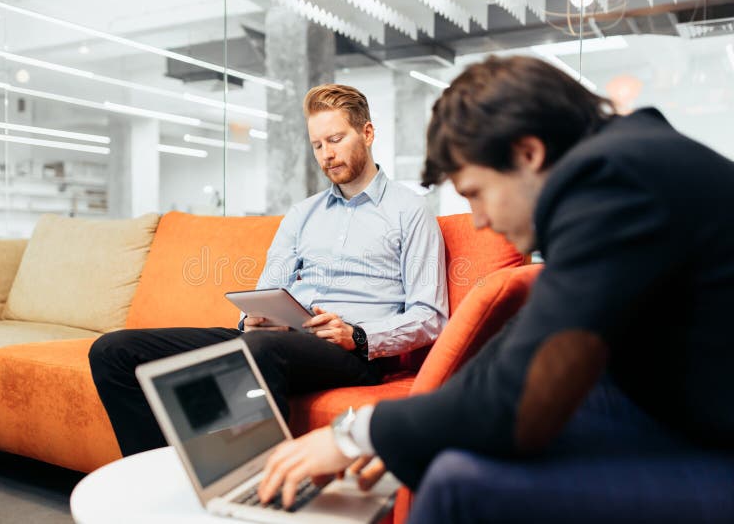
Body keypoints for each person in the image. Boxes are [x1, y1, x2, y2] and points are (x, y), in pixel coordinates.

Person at [256, 56, 734, 522]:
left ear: (528, 153)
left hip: (708, 439)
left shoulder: (614, 183)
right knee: (445, 452)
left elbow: (518, 393)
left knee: (458, 482)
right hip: (671, 400)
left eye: (476, 193)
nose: (480, 219)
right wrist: (410, 431)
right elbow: (521, 345)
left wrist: (359, 434)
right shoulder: (625, 157)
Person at [89, 84, 448, 457]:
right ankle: (165, 476)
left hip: (350, 352)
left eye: (336, 139)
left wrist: (357, 335)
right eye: (318, 145)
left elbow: (431, 316)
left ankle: (248, 492)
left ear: (368, 133)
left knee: (259, 348)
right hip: (275, 340)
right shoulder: (302, 214)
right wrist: (253, 319)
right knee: (114, 351)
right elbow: (266, 291)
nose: (327, 155)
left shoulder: (411, 211)